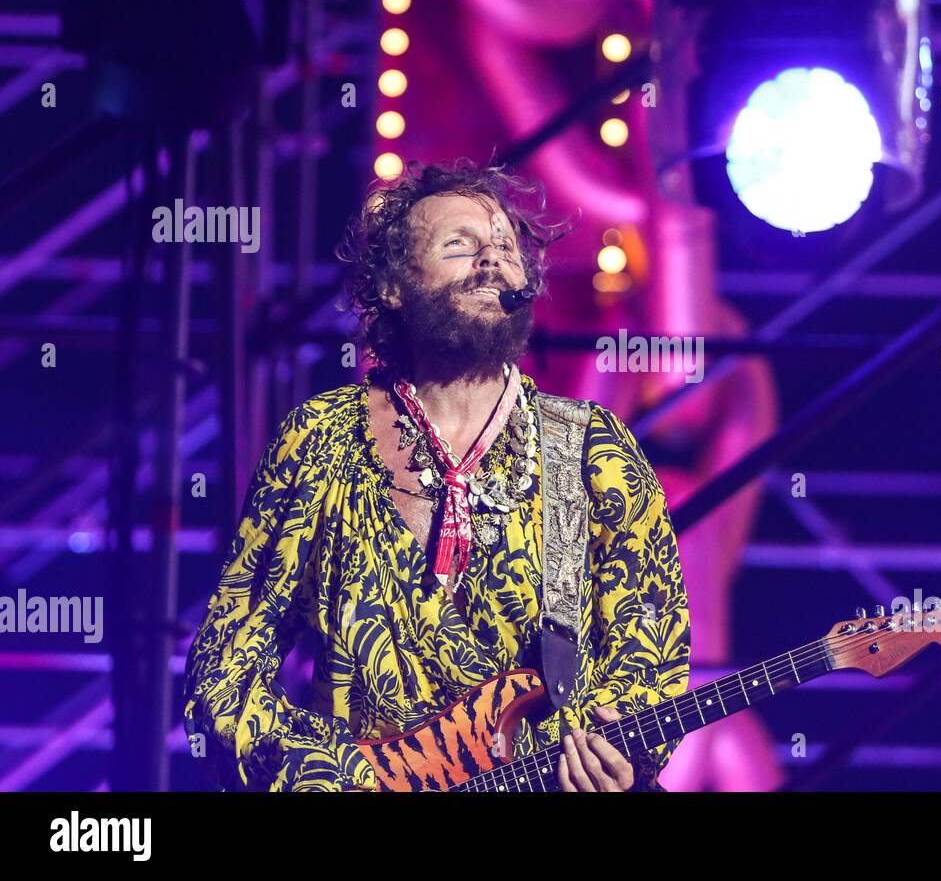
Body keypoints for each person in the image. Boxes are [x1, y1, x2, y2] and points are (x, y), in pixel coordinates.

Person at [182, 159, 691, 791]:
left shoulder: (590, 448)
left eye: (505, 249)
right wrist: (325, 775)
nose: (490, 261)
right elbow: (227, 665)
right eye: (459, 246)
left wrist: (616, 755)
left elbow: (651, 641)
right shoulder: (320, 439)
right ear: (393, 285)